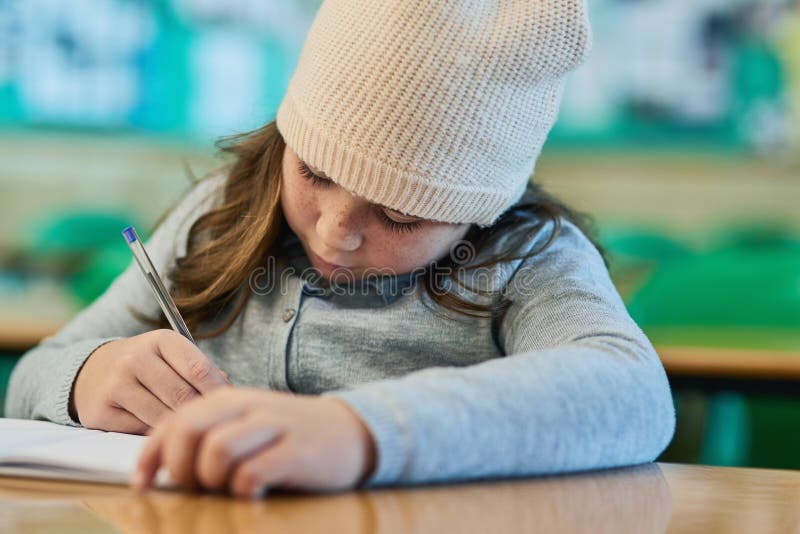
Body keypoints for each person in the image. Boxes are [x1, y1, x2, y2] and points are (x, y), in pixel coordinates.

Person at [6, 0, 675, 499]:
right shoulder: (220, 210)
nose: (332, 232)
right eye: (315, 173)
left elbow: (635, 396)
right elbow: (32, 376)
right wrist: (88, 381)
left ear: (477, 214)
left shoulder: (526, 255)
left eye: (398, 215)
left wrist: (357, 434)